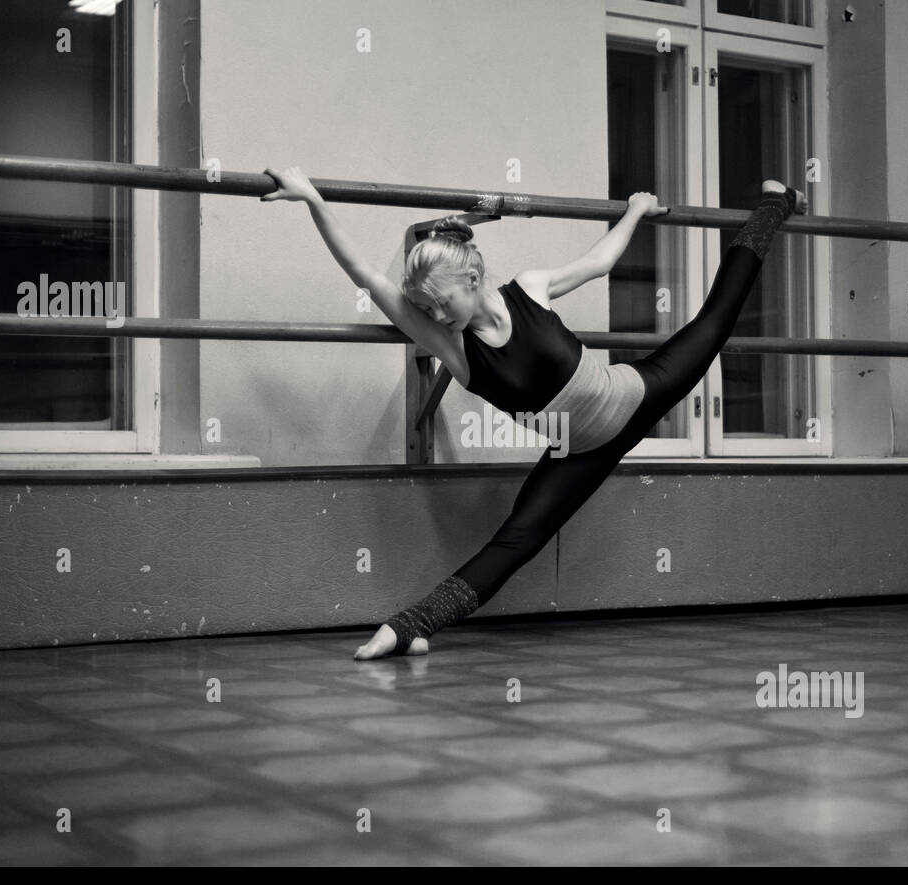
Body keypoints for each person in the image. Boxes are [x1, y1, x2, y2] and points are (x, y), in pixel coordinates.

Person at [261, 166, 806, 659]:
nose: (435, 316)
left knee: (715, 321)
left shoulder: (530, 287)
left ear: (472, 281)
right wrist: (312, 198)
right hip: (579, 451)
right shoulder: (455, 347)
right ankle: (409, 626)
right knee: (517, 540)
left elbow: (600, 262)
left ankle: (776, 204)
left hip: (639, 391)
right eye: (425, 309)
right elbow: (365, 275)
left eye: (441, 302)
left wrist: (637, 210)